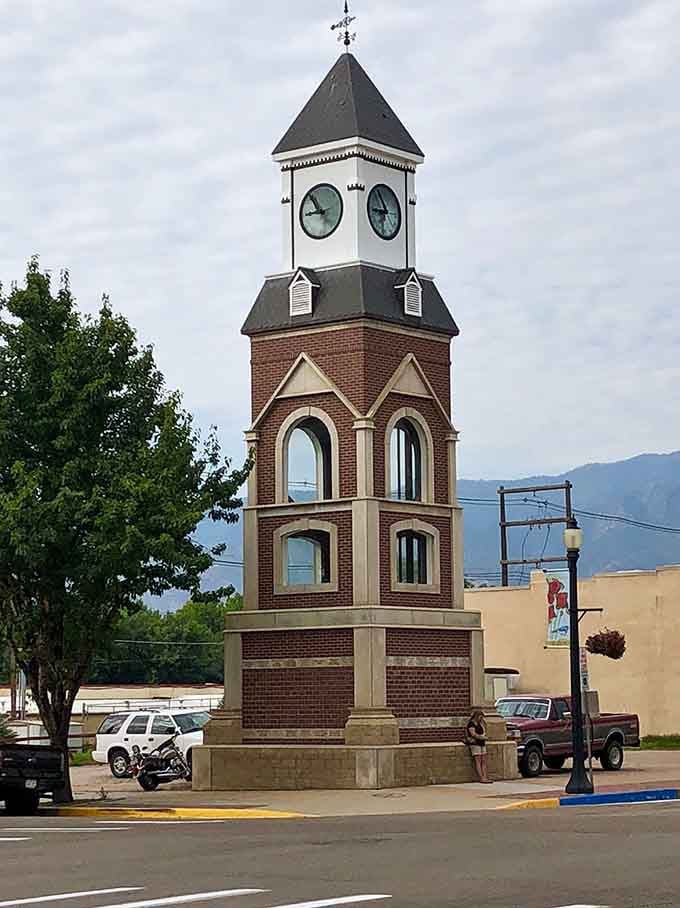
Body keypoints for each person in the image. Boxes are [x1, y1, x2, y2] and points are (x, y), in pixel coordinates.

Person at [466, 708, 492, 783]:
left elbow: (484, 731)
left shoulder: (480, 723)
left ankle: (485, 777)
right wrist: (482, 737)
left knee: (484, 760)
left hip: (482, 743)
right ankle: (481, 778)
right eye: (481, 717)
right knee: (478, 761)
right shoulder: (471, 724)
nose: (481, 718)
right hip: (475, 744)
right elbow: (473, 734)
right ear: (477, 716)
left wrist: (484, 736)